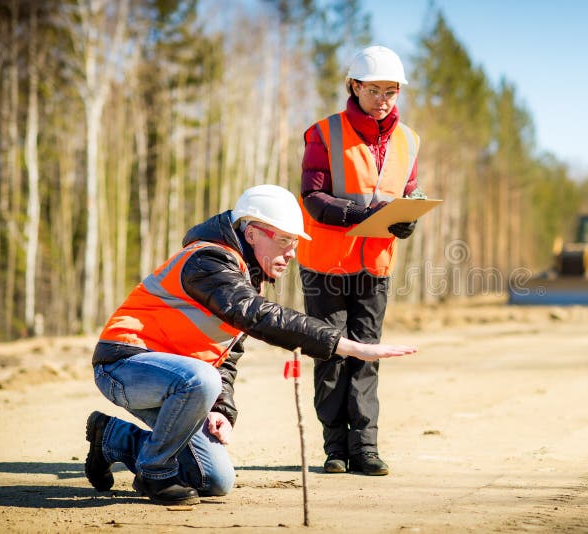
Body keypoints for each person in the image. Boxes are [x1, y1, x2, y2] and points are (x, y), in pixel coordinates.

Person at [85, 184, 416, 506]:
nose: (291, 253)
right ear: (253, 233)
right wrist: (346, 345)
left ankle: (112, 438)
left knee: (215, 479)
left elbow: (226, 355)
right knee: (201, 380)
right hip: (124, 364)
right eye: (284, 240)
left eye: (295, 243)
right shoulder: (208, 261)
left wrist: (220, 409)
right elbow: (258, 316)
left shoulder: (246, 277)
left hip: (179, 383)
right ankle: (155, 471)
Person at [298, 45, 422, 476]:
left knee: (366, 354)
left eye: (392, 90)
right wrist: (363, 215)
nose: (384, 99)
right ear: (354, 86)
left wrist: (405, 221)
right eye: (374, 90)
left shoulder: (409, 140)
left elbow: (407, 195)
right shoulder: (324, 133)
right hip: (324, 264)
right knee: (330, 354)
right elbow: (313, 200)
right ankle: (335, 450)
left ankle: (365, 449)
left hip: (376, 265)